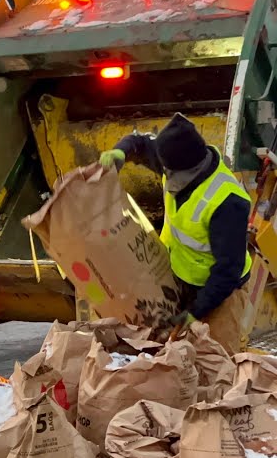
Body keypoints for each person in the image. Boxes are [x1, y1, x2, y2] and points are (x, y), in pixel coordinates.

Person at [99, 113, 253, 352]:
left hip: (222, 292)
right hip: (179, 279)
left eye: (170, 172)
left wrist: (195, 312)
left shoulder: (227, 202)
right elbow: (140, 142)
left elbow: (227, 271)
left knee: (217, 360)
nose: (165, 176)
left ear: (190, 169)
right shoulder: (175, 157)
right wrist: (121, 151)